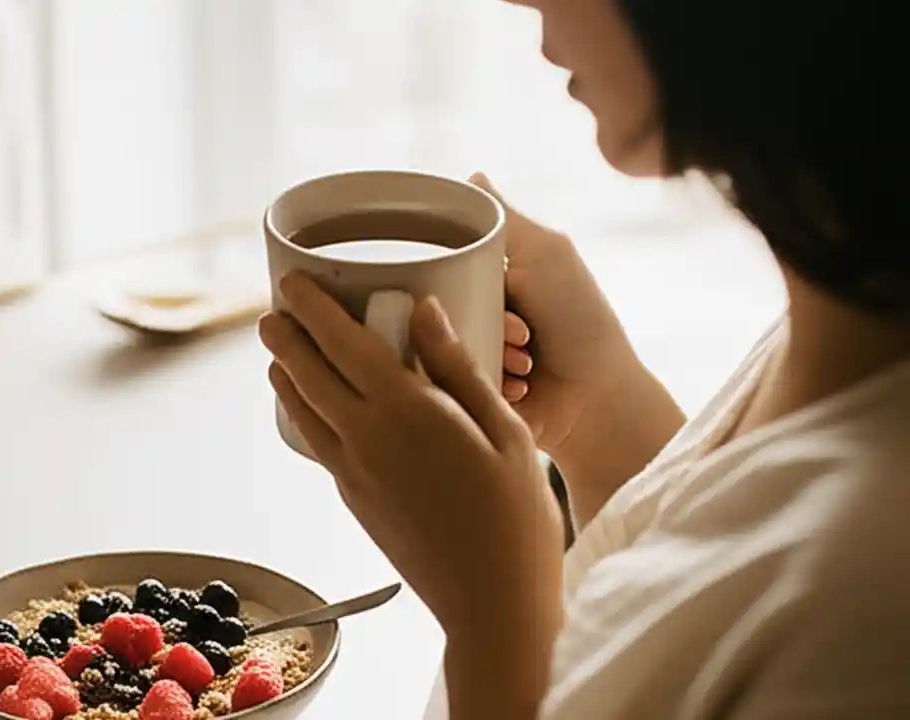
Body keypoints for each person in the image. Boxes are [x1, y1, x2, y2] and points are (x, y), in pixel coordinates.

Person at [258, 0, 909, 717]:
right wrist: (602, 425)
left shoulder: (874, 600)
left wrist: (493, 610)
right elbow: (702, 610)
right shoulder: (849, 322)